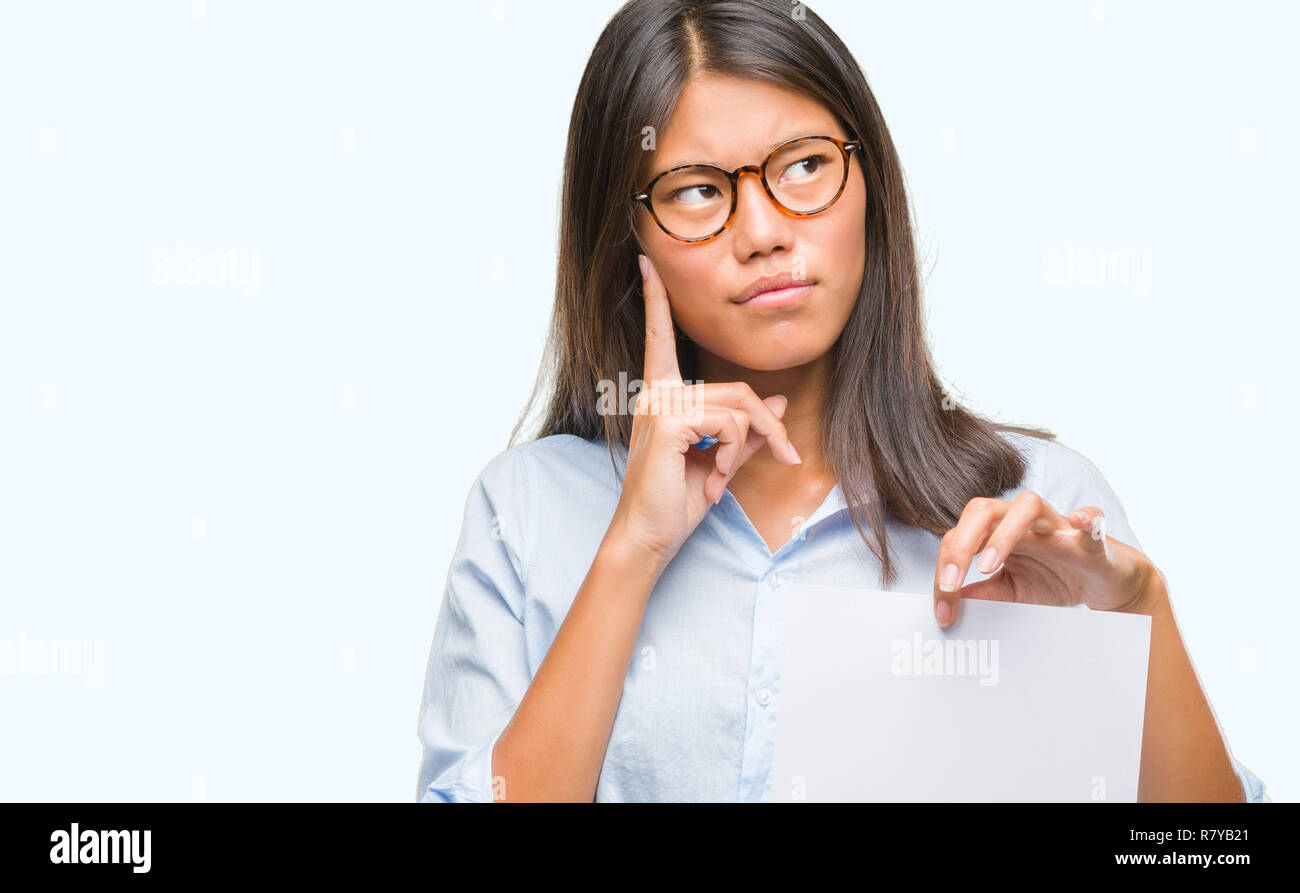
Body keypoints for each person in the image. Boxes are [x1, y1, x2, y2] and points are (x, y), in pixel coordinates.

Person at [415, 0, 1268, 803]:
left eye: (807, 166)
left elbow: (1204, 855)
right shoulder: (524, 512)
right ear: (626, 231)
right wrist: (631, 553)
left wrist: (1135, 613)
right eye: (697, 190)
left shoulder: (1038, 507)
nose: (763, 232)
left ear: (870, 180)